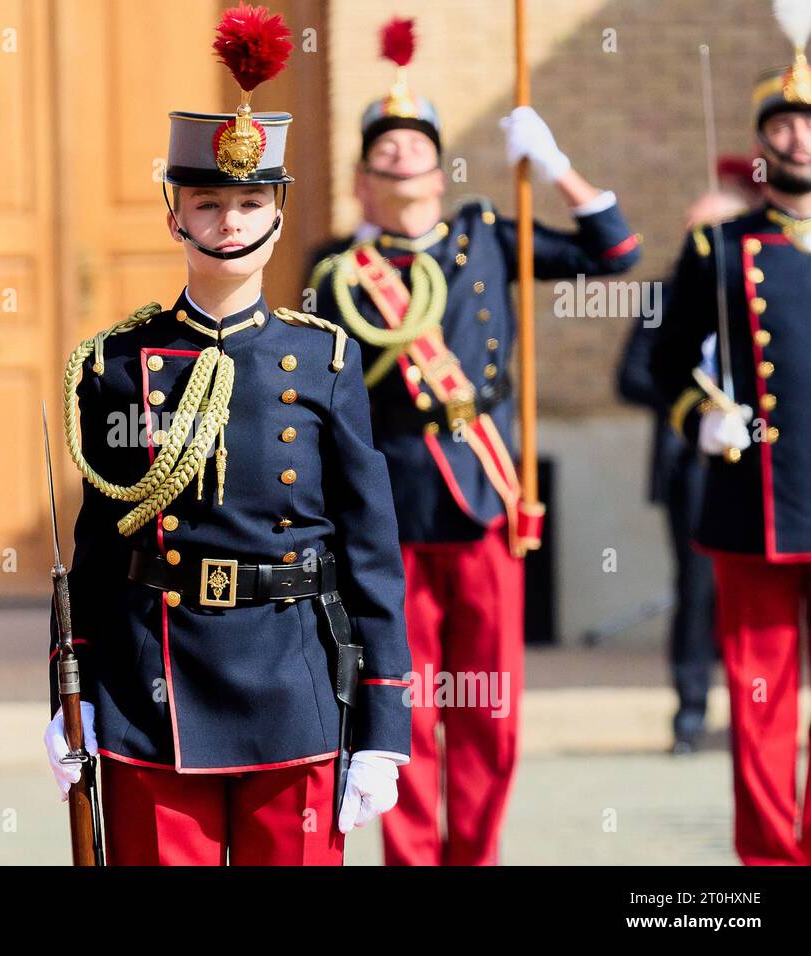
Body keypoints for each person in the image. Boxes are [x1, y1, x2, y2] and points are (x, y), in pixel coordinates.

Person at [43, 3, 411, 866]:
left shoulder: (321, 358)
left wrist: (386, 720)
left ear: (279, 211)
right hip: (154, 684)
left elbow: (372, 552)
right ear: (176, 214)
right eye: (210, 203)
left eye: (251, 202)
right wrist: (73, 692)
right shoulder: (115, 362)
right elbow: (99, 543)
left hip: (294, 677)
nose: (231, 222)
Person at [309, 16, 641, 866]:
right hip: (384, 506)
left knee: (488, 708)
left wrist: (555, 165)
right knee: (406, 707)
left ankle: (477, 857)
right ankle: (413, 859)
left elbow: (615, 255)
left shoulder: (490, 232)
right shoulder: (336, 271)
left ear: (438, 162)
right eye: (384, 151)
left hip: (485, 490)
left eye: (415, 146)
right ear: (363, 177)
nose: (401, 160)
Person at [649, 11, 811, 865]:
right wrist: (699, 419)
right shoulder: (718, 246)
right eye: (782, 125)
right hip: (757, 506)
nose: (797, 137)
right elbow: (665, 364)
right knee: (761, 702)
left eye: (808, 124)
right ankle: (772, 860)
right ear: (762, 145)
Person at [616, 163, 759, 756]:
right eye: (692, 232)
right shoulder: (662, 296)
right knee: (697, 588)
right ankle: (691, 715)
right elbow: (633, 376)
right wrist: (699, 408)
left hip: (760, 460)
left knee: (757, 589)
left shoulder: (762, 285)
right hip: (691, 462)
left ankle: (755, 711)